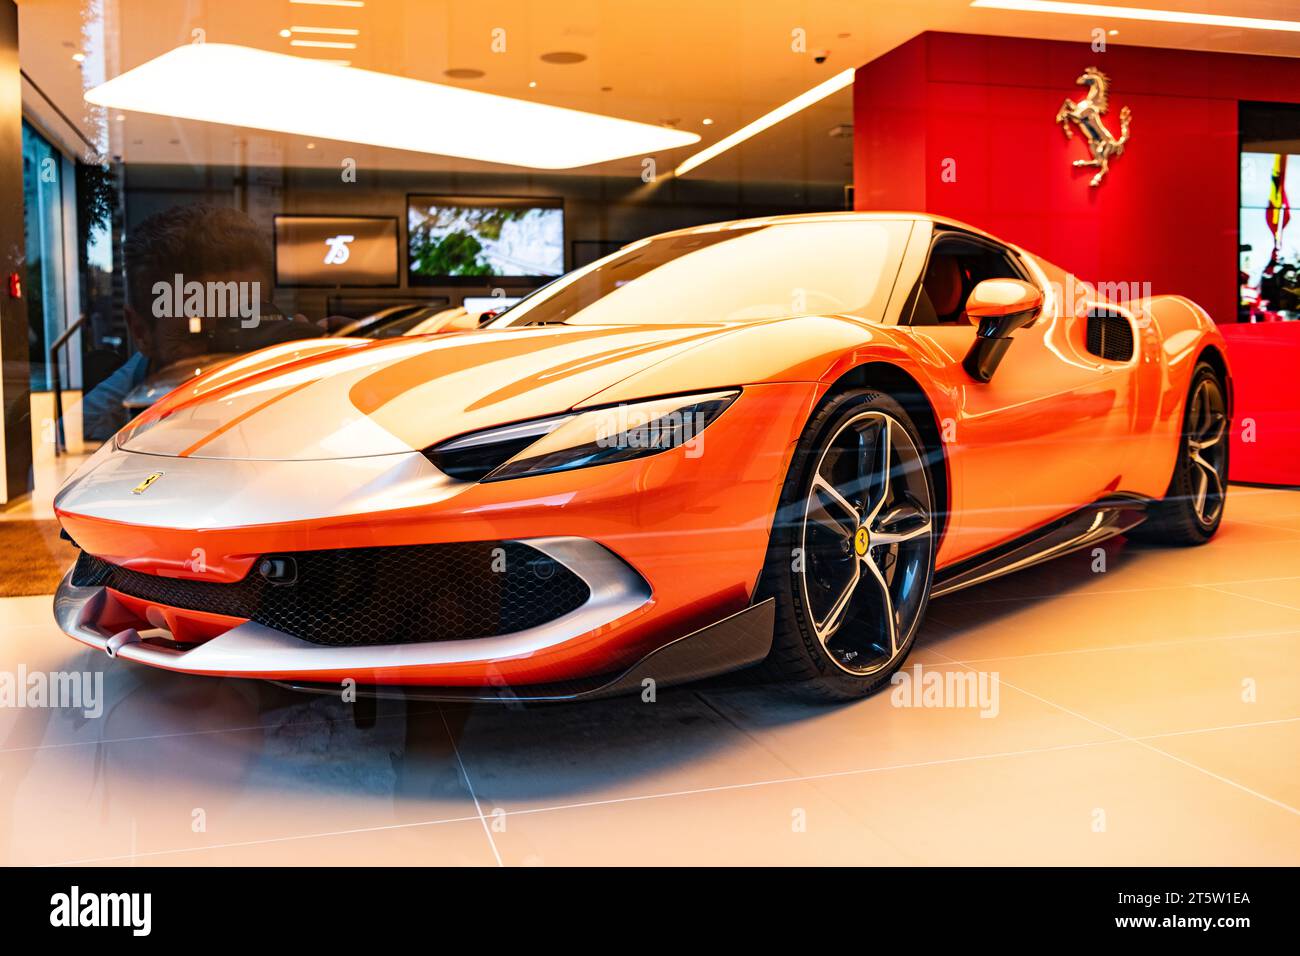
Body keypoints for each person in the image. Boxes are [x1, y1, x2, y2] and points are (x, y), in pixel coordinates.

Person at [80, 204, 324, 441]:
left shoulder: (285, 345)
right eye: (196, 333)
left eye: (243, 322)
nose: (227, 350)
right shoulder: (90, 433)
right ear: (141, 332)